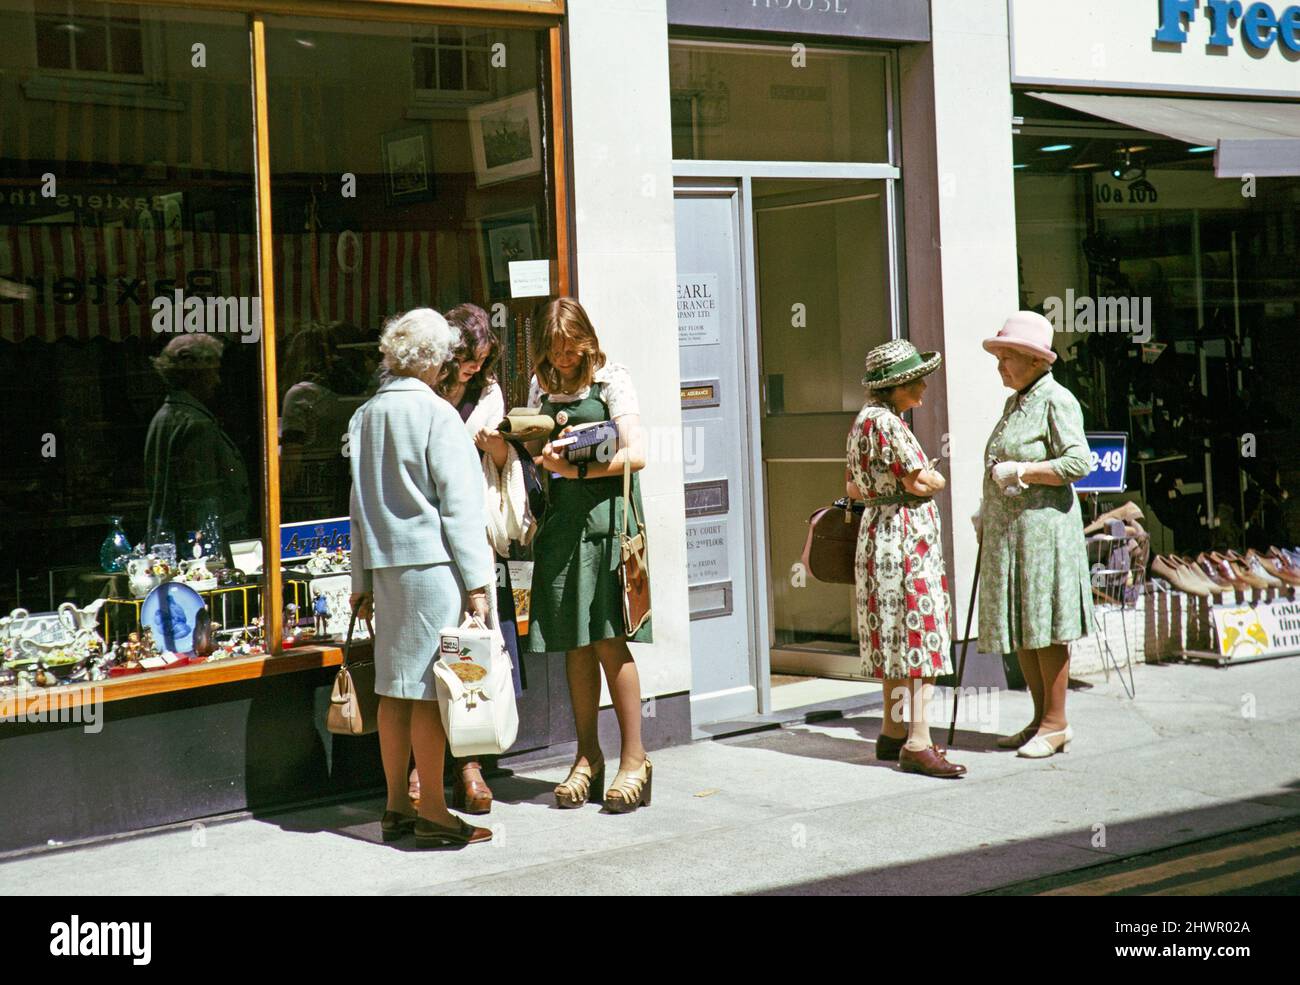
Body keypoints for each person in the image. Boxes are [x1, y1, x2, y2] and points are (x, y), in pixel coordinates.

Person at [348, 308, 496, 847]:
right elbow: (460, 508)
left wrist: (359, 581)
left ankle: (394, 807)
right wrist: (479, 586)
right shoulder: (437, 415)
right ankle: (432, 809)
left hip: (386, 572)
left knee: (393, 693)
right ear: (434, 360)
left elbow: (357, 508)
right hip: (434, 571)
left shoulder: (364, 416)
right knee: (432, 692)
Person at [524, 297, 653, 812]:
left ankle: (635, 759)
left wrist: (574, 466)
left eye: (570, 350)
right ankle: (586, 757)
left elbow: (637, 453)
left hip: (605, 518)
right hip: (562, 521)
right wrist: (538, 454)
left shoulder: (612, 379)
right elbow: (535, 451)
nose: (562, 361)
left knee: (606, 637)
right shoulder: (540, 384)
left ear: (587, 341)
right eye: (554, 352)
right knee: (573, 641)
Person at [976, 311, 1094, 759]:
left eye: (1008, 357)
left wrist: (1023, 470)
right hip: (1014, 534)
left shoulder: (1056, 400)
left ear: (1033, 360)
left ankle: (1057, 722)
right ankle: (1040, 717)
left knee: (1046, 627)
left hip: (1044, 536)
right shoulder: (1017, 402)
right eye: (1000, 357)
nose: (1000, 366)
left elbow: (1078, 463)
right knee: (1026, 627)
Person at [846, 339, 966, 779]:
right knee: (921, 634)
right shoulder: (891, 426)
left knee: (892, 634)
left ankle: (891, 731)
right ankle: (918, 740)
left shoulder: (862, 422)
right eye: (914, 382)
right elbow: (921, 480)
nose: (923, 388)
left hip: (877, 533)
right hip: (904, 539)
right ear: (893, 388)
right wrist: (934, 477)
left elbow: (855, 487)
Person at [143, 335, 251, 547]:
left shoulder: (165, 416)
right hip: (202, 546)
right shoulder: (196, 423)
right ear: (194, 374)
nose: (217, 381)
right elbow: (200, 498)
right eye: (213, 372)